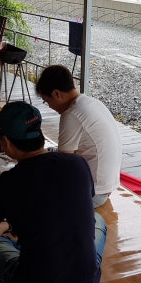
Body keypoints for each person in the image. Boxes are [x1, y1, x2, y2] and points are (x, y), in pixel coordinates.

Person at [0, 101, 107, 283]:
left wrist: (9, 224)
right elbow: (76, 208)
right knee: (98, 221)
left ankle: (30, 258)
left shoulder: (7, 183)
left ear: (6, 142)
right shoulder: (77, 163)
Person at [35, 65, 122, 208]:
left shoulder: (72, 114)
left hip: (93, 193)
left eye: (47, 101)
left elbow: (63, 165)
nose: (50, 106)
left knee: (32, 190)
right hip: (106, 186)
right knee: (47, 157)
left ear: (57, 94)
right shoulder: (91, 102)